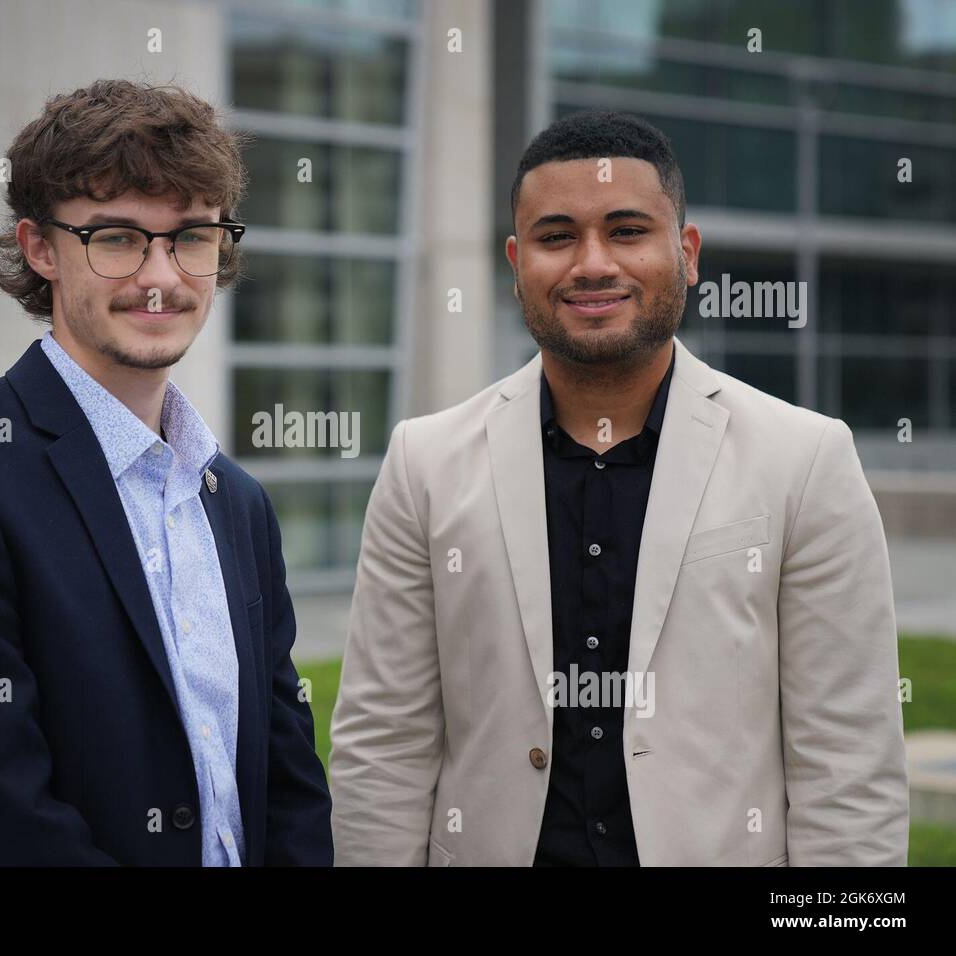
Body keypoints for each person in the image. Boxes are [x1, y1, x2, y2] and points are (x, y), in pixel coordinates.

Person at [329, 109, 907, 867]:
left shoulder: (805, 459)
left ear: (687, 252)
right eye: (556, 236)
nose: (592, 263)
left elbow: (849, 765)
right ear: (516, 261)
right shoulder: (424, 462)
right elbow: (384, 743)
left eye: (628, 231)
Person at [0, 80, 332, 866]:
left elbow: (288, 783)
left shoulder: (235, 503)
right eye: (116, 238)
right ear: (41, 247)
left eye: (191, 237)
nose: (161, 276)